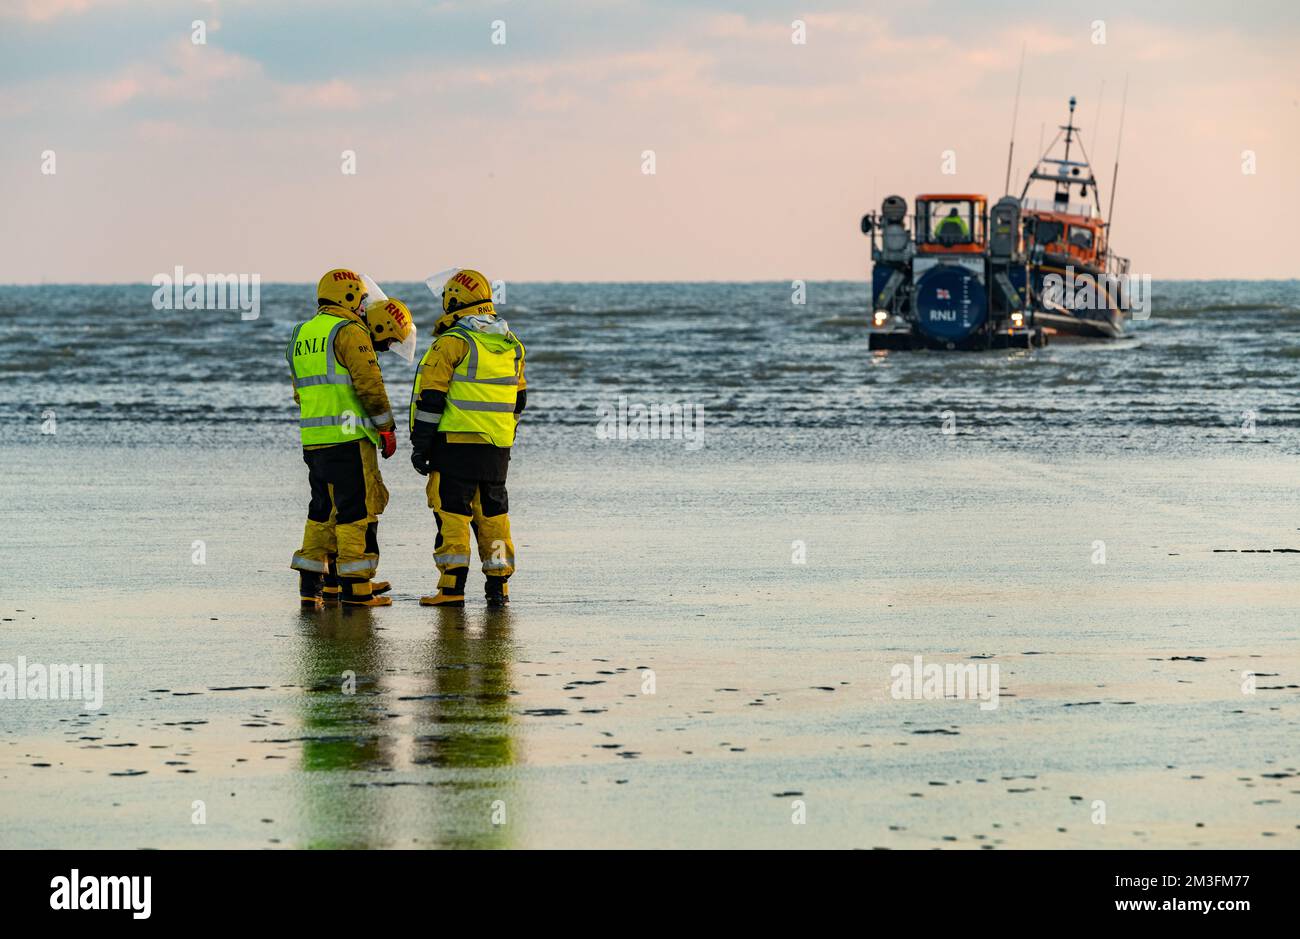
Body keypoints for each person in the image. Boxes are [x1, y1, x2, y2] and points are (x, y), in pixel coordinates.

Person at [287, 269, 416, 607]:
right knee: (354, 511)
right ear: (346, 296)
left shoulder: (302, 333)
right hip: (349, 439)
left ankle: (315, 586)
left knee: (322, 510)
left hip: (314, 440)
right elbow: (369, 383)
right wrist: (386, 427)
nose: (363, 305)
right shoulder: (349, 331)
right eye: (360, 299)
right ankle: (356, 588)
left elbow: (300, 391)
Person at [409, 268, 526, 607]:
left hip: (455, 445)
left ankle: (451, 588)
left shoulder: (452, 342)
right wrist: (504, 439)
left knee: (452, 514)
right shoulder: (510, 344)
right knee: (493, 516)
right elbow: (519, 402)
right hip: (496, 448)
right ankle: (498, 587)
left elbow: (431, 399)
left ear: (454, 300)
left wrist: (421, 445)